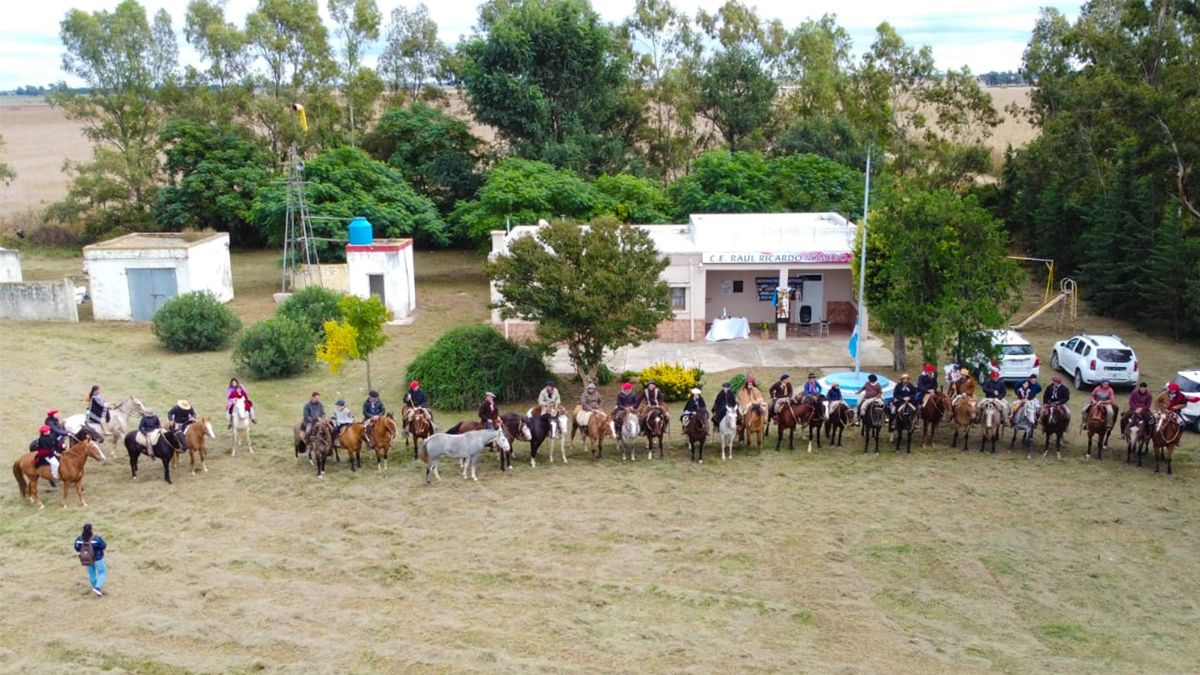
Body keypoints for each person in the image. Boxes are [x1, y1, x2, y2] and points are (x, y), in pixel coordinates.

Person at [74, 523, 108, 597]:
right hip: (98, 559)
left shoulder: (79, 539)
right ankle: (97, 588)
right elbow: (104, 545)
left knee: (92, 575)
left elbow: (76, 548)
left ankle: (96, 589)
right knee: (102, 573)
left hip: (87, 559)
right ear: (91, 530)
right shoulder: (96, 538)